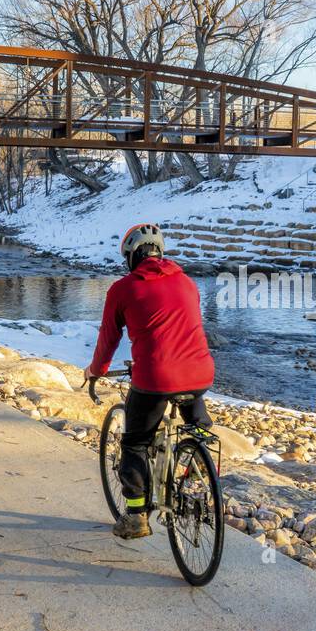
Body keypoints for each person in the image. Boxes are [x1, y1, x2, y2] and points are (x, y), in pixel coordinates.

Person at [87, 223, 215, 539]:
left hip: (156, 377)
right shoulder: (187, 283)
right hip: (200, 373)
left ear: (132, 256)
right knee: (198, 428)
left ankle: (135, 516)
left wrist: (97, 370)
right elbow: (178, 329)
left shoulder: (123, 289)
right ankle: (191, 461)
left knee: (135, 442)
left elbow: (108, 338)